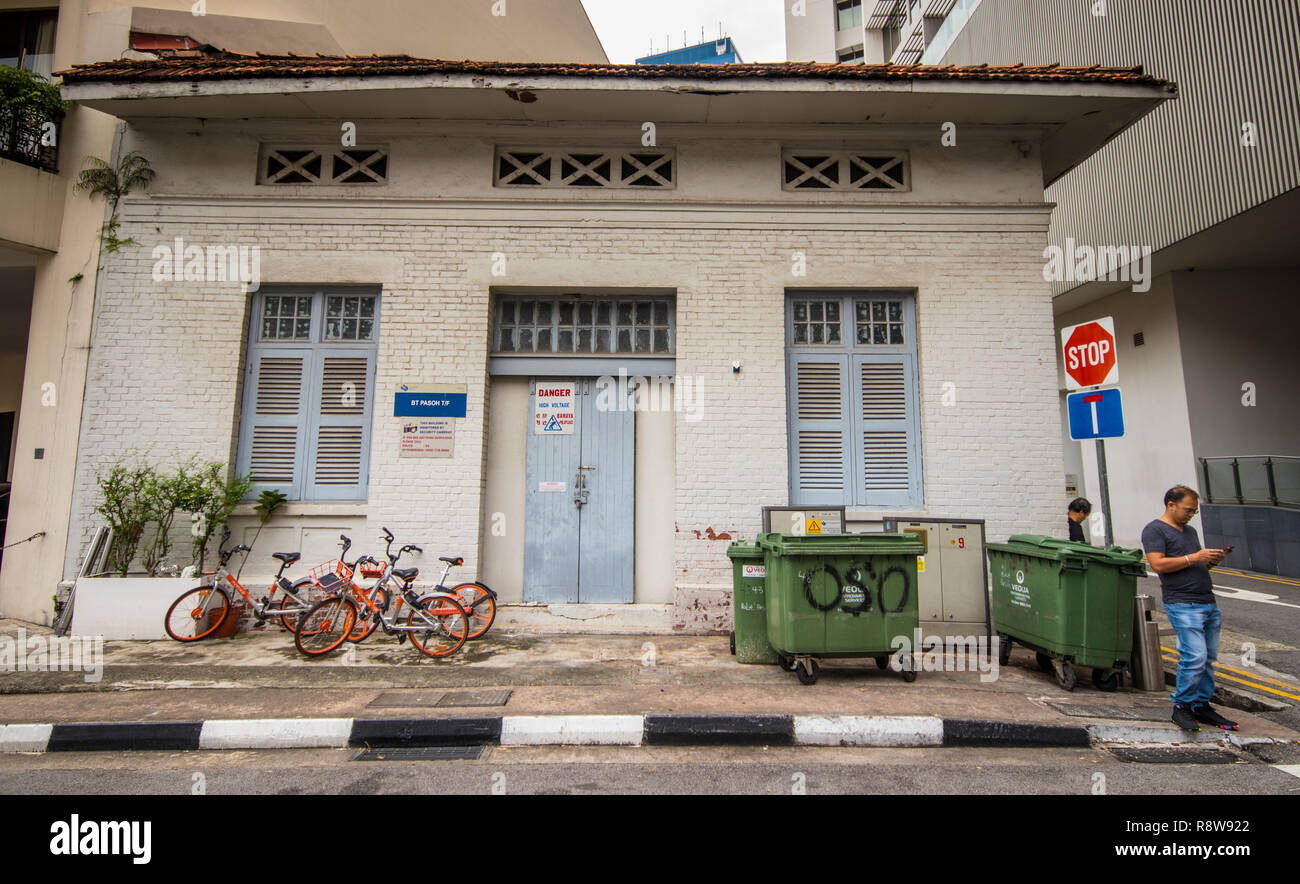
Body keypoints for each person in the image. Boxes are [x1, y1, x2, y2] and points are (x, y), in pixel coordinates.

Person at [1140, 485, 1235, 732]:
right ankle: (1181, 707)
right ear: (1171, 504)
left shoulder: (1190, 531)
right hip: (1182, 603)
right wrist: (1195, 557)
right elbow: (1158, 564)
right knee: (1195, 657)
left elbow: (1192, 564)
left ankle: (1200, 706)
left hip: (1207, 601)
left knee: (1208, 659)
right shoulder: (1155, 529)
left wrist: (1209, 561)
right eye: (1187, 510)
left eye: (1194, 511)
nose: (1191, 515)